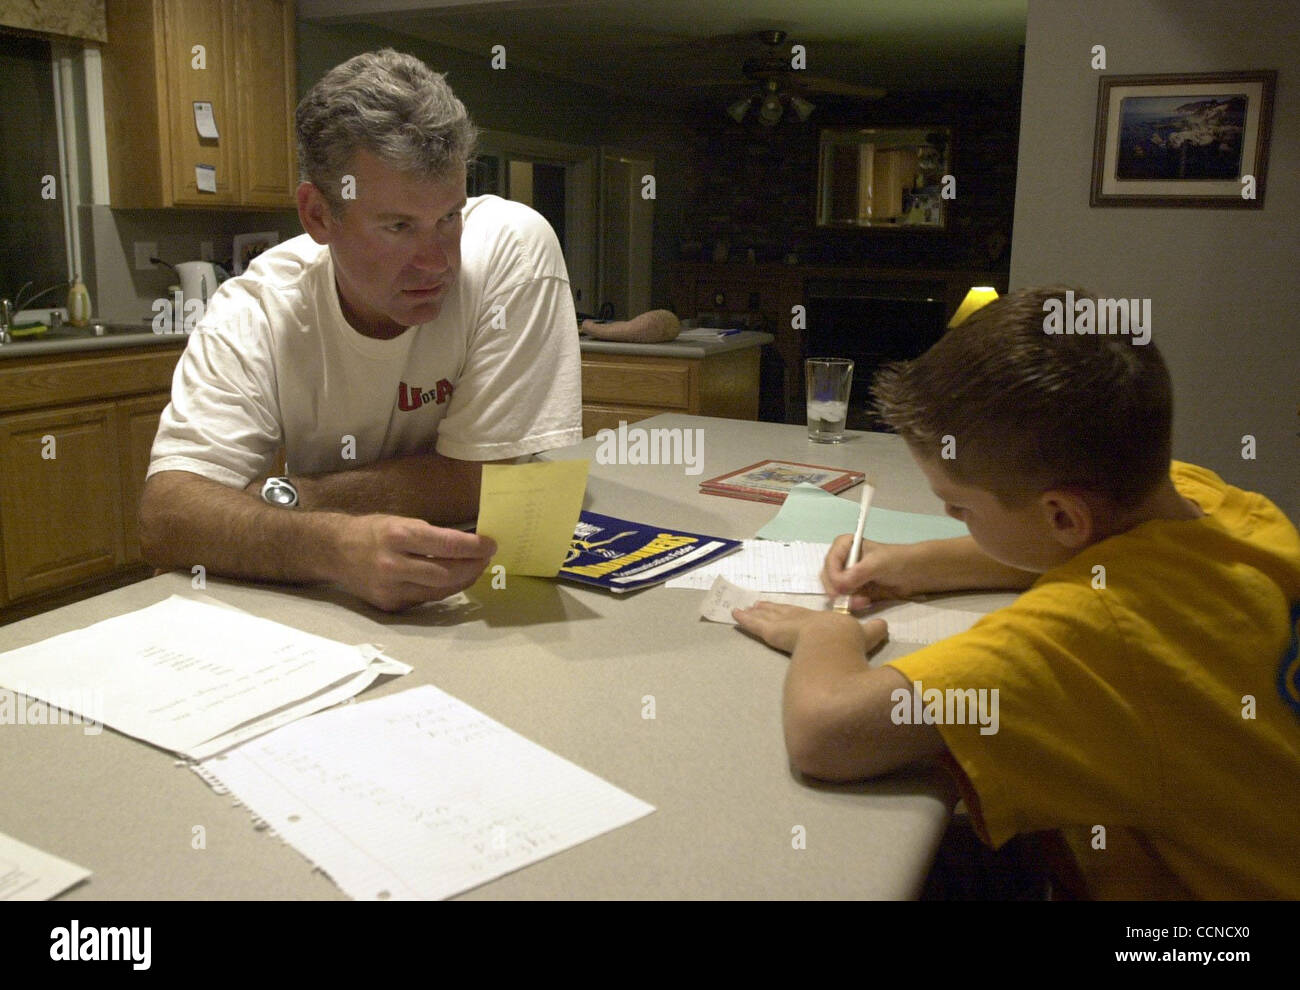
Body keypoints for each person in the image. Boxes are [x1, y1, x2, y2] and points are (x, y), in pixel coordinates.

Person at [733, 286, 1300, 899]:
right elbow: (1090, 554)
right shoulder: (1213, 503)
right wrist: (912, 564)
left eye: (959, 506)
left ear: (1061, 516)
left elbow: (825, 732)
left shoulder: (1098, 634)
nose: (949, 515)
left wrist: (826, 636)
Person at [139, 50, 582, 611]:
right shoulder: (255, 310)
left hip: (495, 584)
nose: (437, 262)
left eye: (449, 218)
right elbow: (166, 516)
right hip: (338, 597)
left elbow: (489, 478)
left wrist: (292, 500)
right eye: (398, 226)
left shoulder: (513, 251)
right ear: (318, 216)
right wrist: (333, 547)